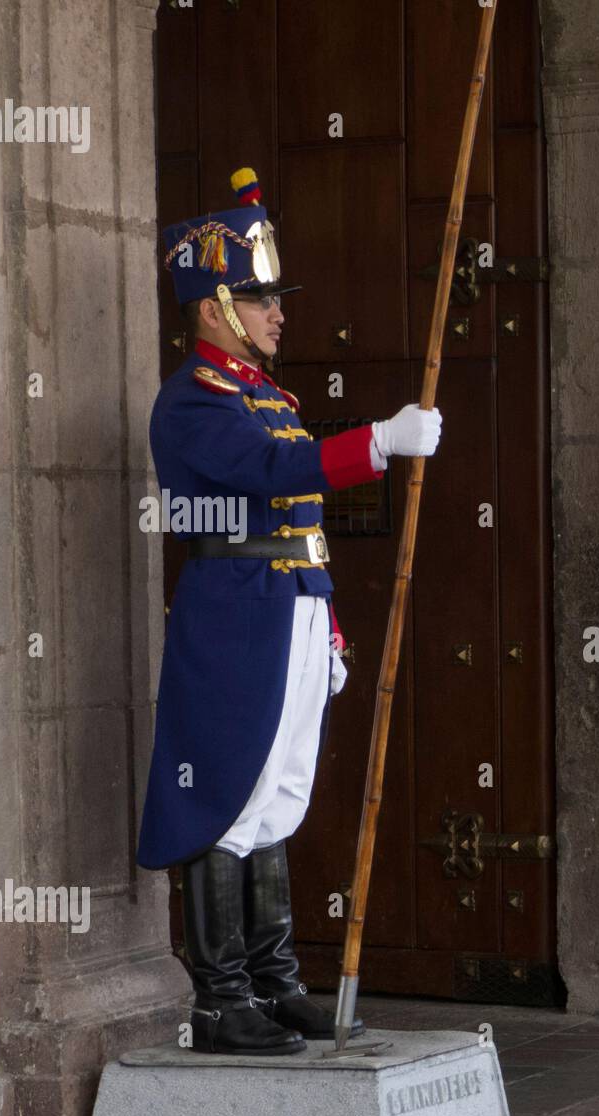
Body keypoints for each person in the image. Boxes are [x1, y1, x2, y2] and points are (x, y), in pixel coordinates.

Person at [138, 167, 443, 1055]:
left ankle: (273, 984)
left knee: (275, 799)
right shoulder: (194, 402)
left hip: (289, 610)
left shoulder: (271, 397)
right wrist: (378, 442)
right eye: (260, 297)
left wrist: (329, 622)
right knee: (228, 800)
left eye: (276, 297)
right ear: (214, 306)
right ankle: (219, 999)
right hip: (234, 617)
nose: (279, 313)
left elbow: (299, 524)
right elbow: (277, 477)